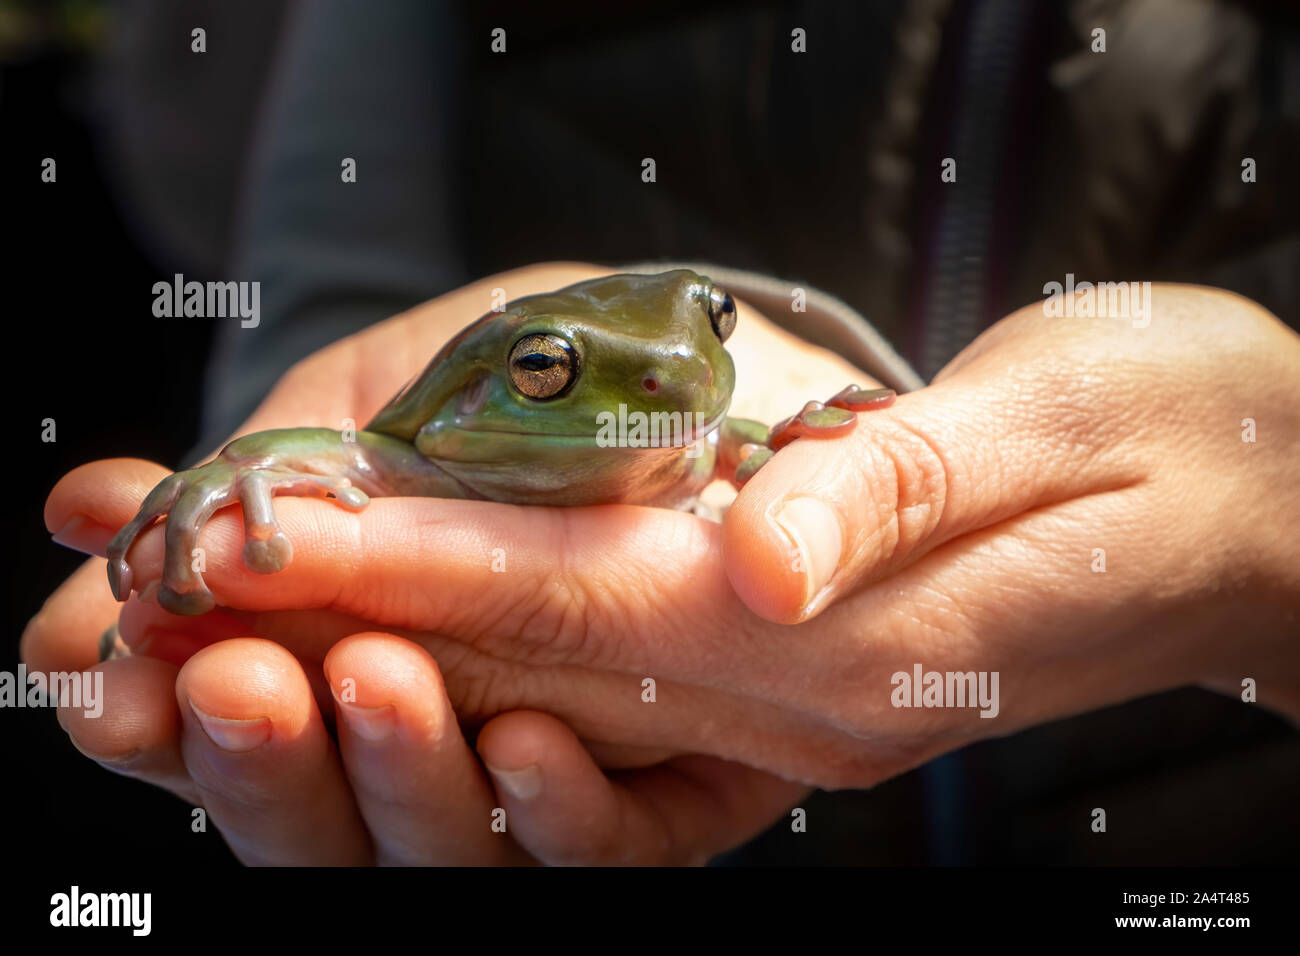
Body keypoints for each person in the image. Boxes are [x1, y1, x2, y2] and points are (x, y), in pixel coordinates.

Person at [24, 0, 1300, 864]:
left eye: (715, 327)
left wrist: (1262, 548)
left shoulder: (690, 425)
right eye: (546, 370)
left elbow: (725, 436)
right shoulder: (403, 451)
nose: (685, 387)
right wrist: (241, 452)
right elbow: (315, 390)